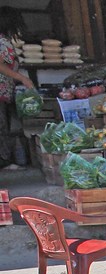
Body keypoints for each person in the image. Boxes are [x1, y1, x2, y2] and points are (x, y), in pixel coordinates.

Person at [0, 7, 33, 171]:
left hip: (3, 93)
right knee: (1, 128)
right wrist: (22, 78)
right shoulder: (3, 42)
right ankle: (4, 162)